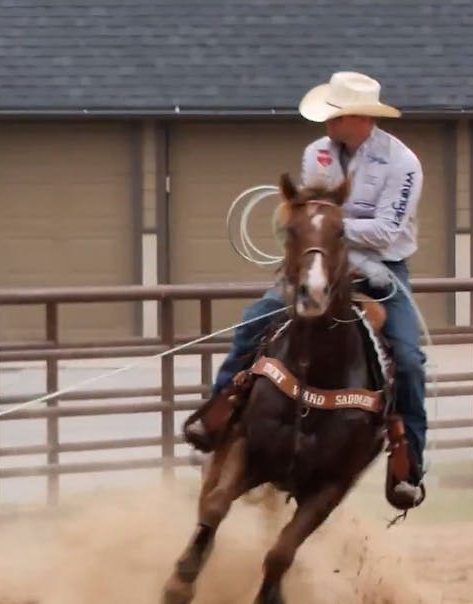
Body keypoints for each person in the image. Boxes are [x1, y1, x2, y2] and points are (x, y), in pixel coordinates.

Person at [182, 70, 429, 510]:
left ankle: (407, 467)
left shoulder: (402, 163)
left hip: (381, 268)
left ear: (359, 117)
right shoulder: (316, 153)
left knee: (408, 360)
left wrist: (326, 226)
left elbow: (387, 231)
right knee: (253, 323)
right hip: (318, 261)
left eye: (335, 115)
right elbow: (303, 209)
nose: (327, 123)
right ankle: (217, 415)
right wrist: (317, 232)